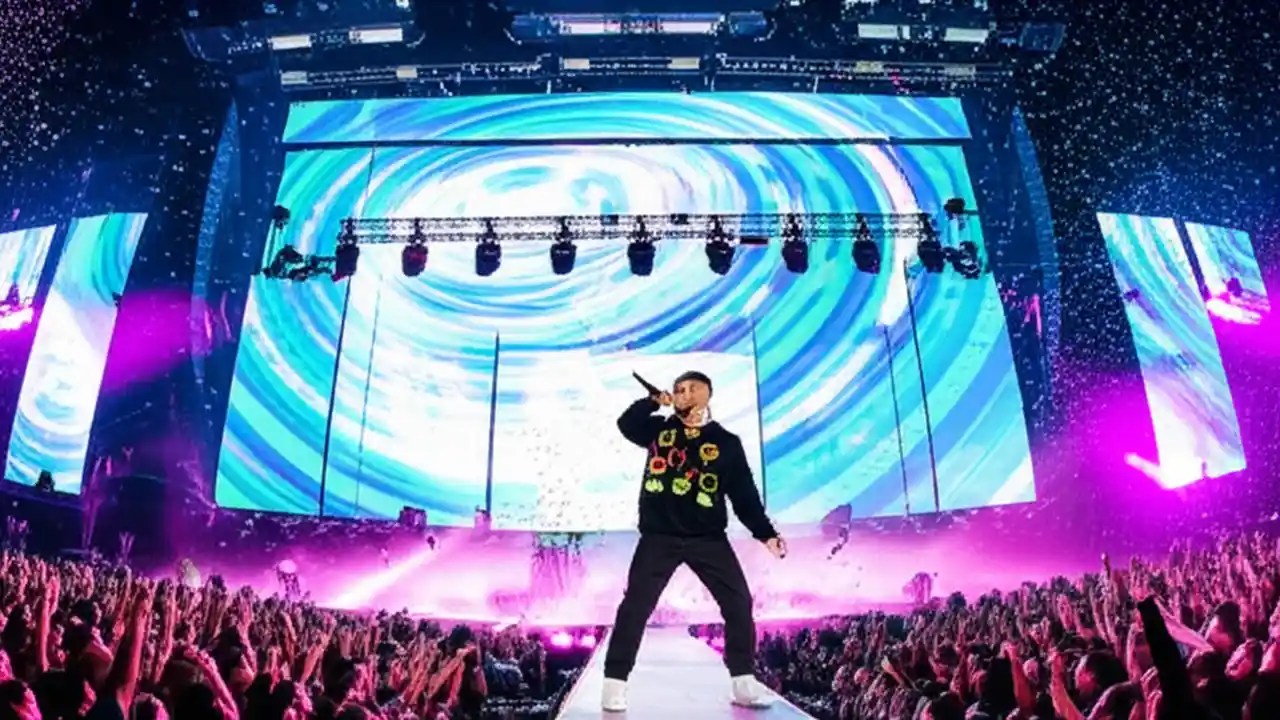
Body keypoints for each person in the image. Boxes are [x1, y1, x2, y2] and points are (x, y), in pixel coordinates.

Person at [601, 370, 786, 712]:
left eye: (690, 388)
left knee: (738, 601)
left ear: (707, 394)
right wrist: (653, 401)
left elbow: (744, 495)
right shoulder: (660, 430)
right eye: (677, 389)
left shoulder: (727, 442)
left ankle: (743, 679)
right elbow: (627, 424)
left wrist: (766, 534)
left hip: (708, 538)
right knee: (635, 605)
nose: (683, 394)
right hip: (659, 537)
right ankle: (615, 680)